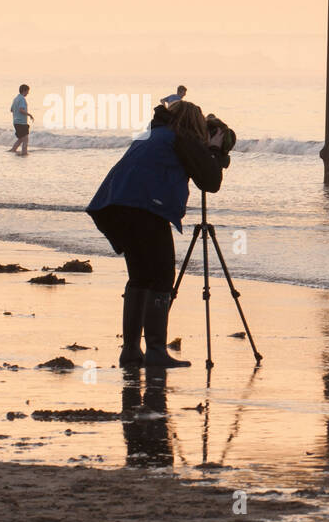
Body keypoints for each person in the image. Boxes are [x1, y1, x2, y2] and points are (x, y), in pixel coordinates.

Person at [86, 101, 232, 370]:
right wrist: (212, 149)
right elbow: (210, 182)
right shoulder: (181, 139)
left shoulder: (153, 134)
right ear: (194, 124)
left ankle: (130, 352)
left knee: (140, 277)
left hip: (113, 206)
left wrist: (210, 151)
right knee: (163, 276)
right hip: (144, 208)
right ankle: (155, 350)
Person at [8, 84, 34, 155]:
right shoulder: (22, 99)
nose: (28, 93)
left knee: (21, 139)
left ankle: (13, 150)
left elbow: (11, 110)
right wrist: (29, 115)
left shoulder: (16, 98)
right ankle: (24, 153)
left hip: (15, 122)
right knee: (25, 139)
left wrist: (16, 114)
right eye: (27, 91)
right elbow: (21, 110)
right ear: (24, 91)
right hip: (21, 122)